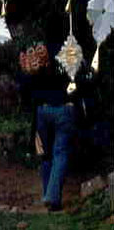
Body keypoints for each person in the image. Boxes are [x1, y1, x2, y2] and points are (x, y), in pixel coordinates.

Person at [19, 41, 72, 211]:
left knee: (45, 155)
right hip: (63, 108)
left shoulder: (35, 55)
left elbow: (26, 87)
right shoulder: (69, 53)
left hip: (41, 111)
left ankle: (47, 195)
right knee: (60, 152)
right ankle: (52, 197)